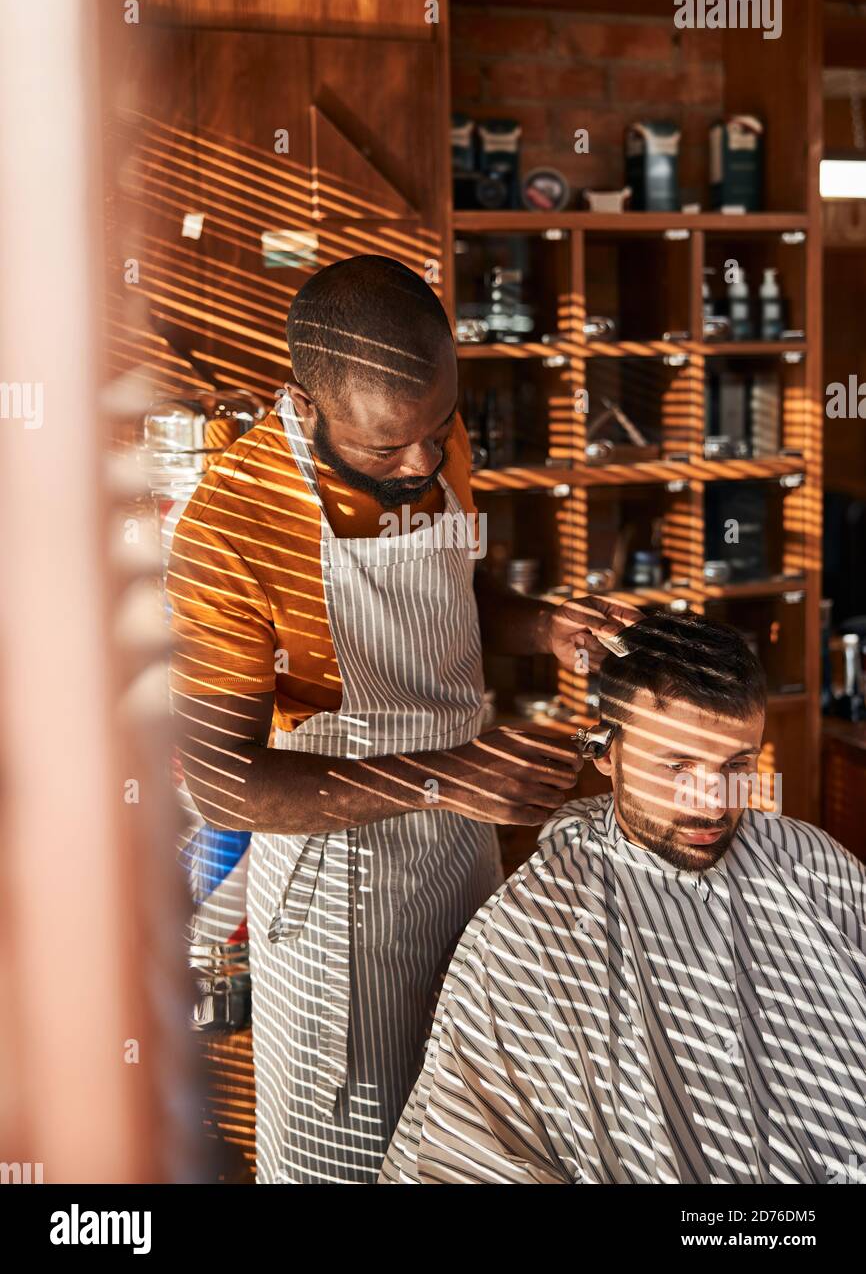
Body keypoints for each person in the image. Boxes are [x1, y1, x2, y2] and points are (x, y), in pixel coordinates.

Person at [167, 253, 638, 1183]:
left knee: (462, 1128)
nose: (423, 461)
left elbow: (458, 587)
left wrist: (543, 623)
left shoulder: (427, 433)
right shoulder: (232, 529)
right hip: (342, 886)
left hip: (458, 846)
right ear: (305, 405)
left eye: (441, 428)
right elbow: (223, 781)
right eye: (388, 449)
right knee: (348, 1148)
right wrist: (449, 776)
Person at [380, 611, 866, 1185]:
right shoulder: (530, 931)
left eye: (737, 765)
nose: (711, 804)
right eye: (677, 765)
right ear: (606, 751)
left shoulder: (811, 864)